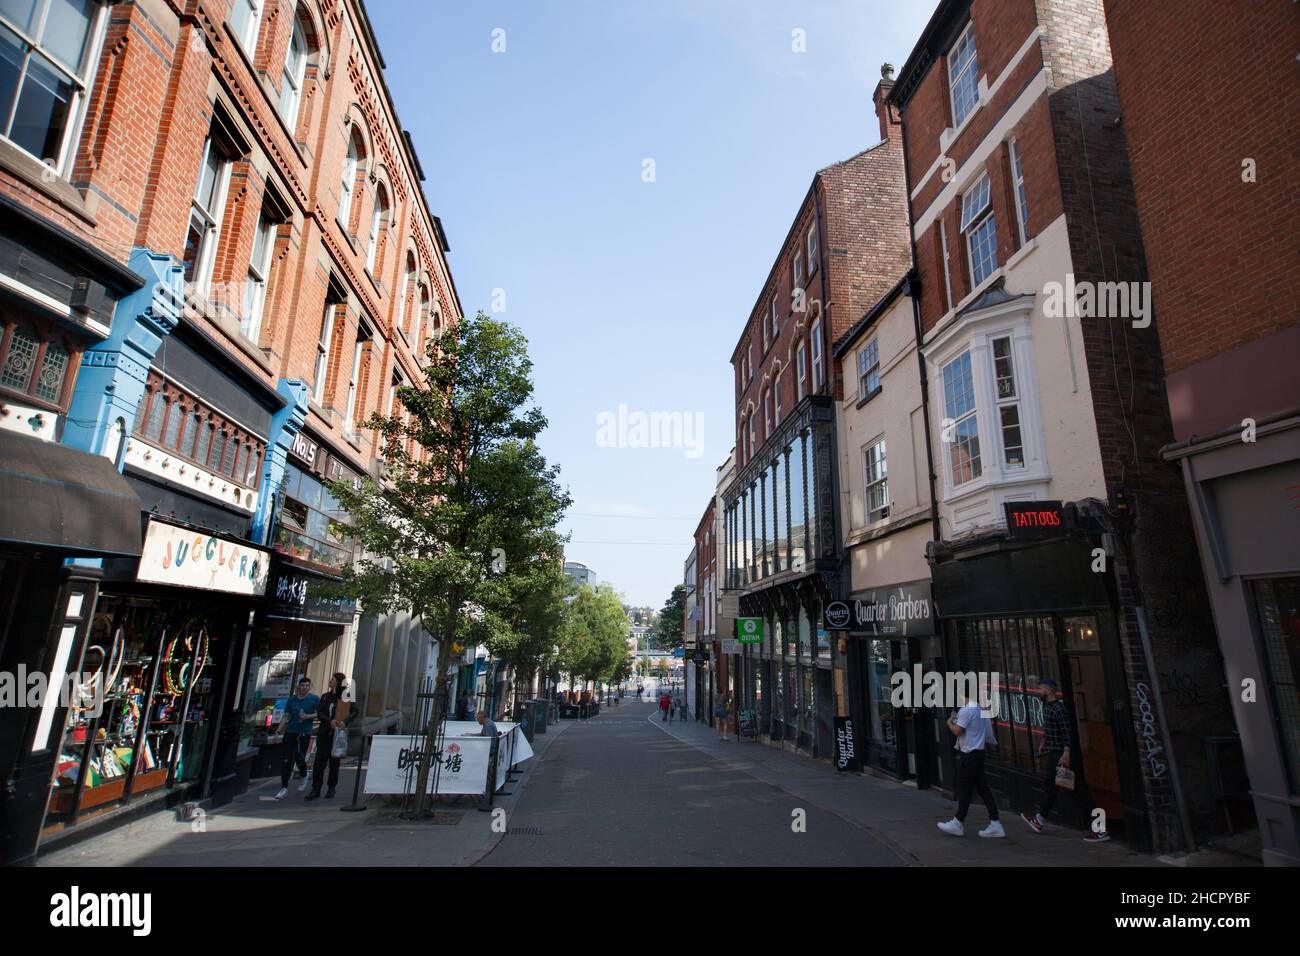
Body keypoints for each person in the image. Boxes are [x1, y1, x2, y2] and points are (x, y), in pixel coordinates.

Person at [937, 692, 1005, 838]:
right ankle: (995, 823)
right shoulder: (980, 708)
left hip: (969, 754)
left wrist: (949, 722)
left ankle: (958, 822)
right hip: (979, 753)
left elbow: (957, 731)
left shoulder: (967, 710)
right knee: (983, 789)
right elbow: (987, 732)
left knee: (965, 789)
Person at [306, 672, 358, 801]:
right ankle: (316, 788)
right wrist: (329, 721)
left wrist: (344, 722)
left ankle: (331, 787)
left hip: (337, 735)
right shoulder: (325, 697)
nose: (330, 681)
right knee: (319, 762)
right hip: (324, 733)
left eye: (333, 679)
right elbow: (319, 713)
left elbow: (355, 711)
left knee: (334, 762)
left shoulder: (346, 697)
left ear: (338, 682)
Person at [274, 677, 319, 800]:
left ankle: (303, 774)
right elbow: (286, 716)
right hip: (290, 732)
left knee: (300, 758)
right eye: (303, 685)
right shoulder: (292, 700)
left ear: (310, 687)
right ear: (298, 686)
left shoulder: (314, 699)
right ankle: (284, 788)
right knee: (286, 759)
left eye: (307, 685)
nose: (304, 687)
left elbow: (319, 713)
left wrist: (308, 716)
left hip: (304, 733)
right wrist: (279, 730)